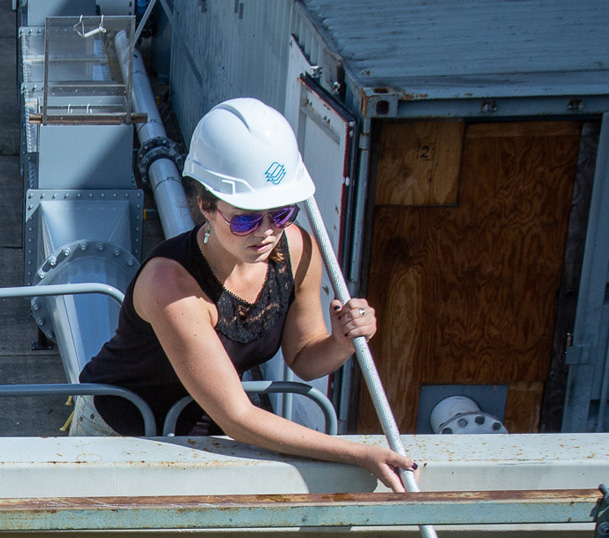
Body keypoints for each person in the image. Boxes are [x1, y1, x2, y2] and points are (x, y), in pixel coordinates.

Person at [74, 98, 415, 492]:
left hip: (205, 431)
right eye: (247, 219)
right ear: (206, 206)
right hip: (120, 431)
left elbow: (304, 359)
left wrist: (340, 343)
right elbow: (238, 415)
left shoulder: (297, 249)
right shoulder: (170, 285)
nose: (267, 232)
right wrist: (356, 453)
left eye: (281, 214)